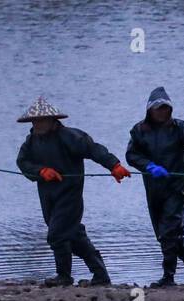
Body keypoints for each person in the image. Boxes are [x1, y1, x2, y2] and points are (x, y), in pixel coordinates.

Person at [16, 95, 130, 287]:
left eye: (42, 120)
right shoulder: (31, 141)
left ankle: (64, 276)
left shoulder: (70, 136)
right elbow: (22, 162)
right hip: (46, 194)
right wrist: (41, 171)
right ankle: (101, 275)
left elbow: (94, 149)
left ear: (53, 121)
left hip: (70, 195)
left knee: (56, 235)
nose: (38, 124)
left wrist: (114, 165)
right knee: (74, 236)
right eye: (35, 120)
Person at [125, 87, 184, 289]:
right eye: (158, 108)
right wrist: (149, 166)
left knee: (169, 232)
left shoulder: (181, 129)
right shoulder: (140, 131)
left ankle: (170, 277)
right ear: (150, 110)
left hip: (176, 189)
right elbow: (131, 155)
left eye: (165, 108)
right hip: (153, 189)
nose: (162, 112)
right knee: (166, 235)